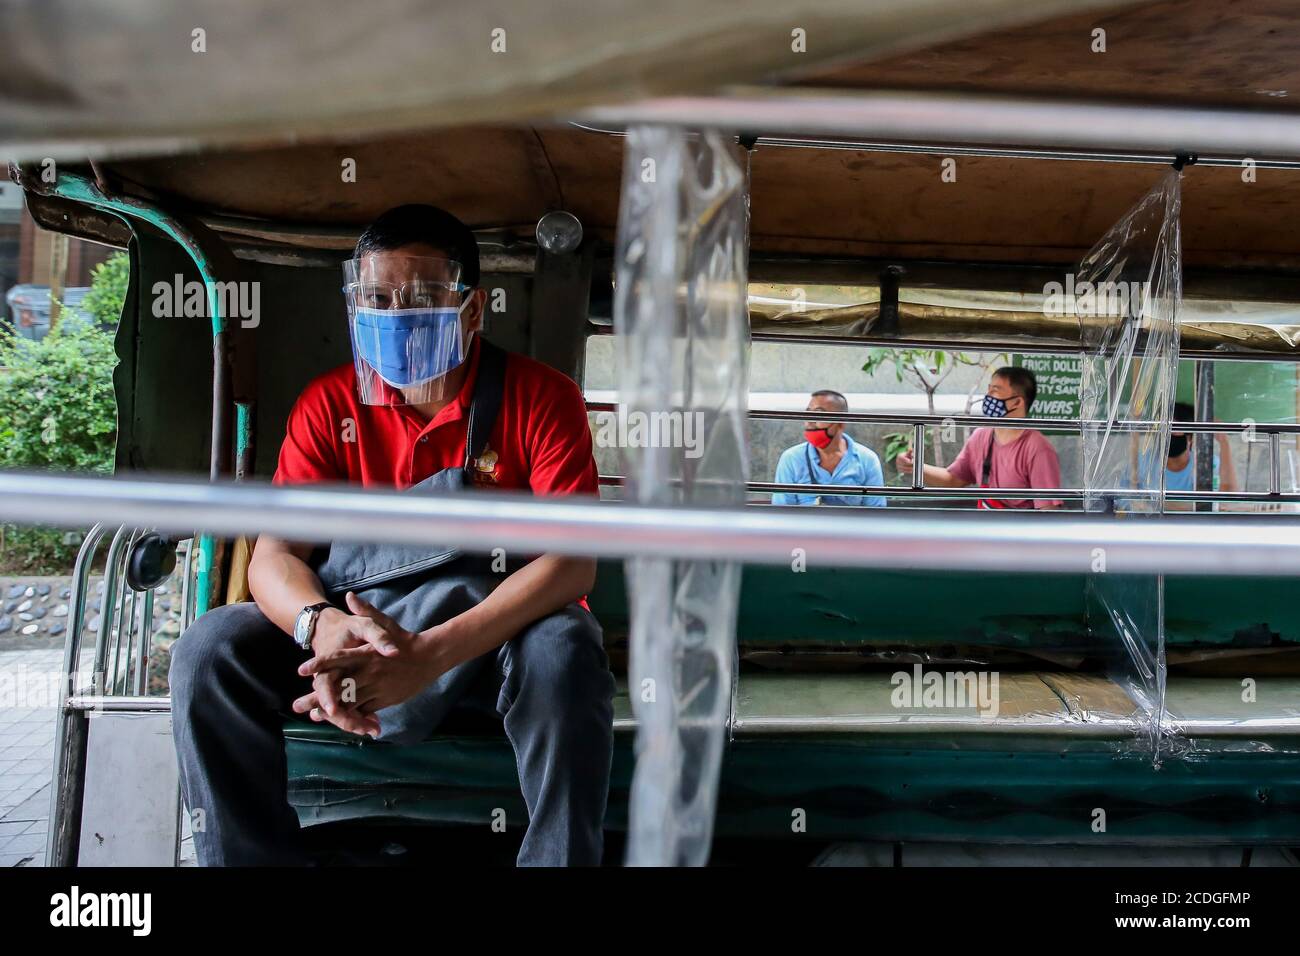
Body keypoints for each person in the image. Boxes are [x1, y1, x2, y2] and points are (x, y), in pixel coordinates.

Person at [169, 204, 615, 866]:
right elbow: (275, 557)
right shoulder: (328, 406)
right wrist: (320, 627)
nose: (396, 315)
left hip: (491, 640)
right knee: (209, 650)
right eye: (377, 299)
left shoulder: (540, 399)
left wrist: (429, 655)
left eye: (422, 298)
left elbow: (572, 564)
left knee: (566, 647)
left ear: (471, 308)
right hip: (354, 625)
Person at [896, 366, 1062, 509]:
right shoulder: (981, 436)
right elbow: (953, 480)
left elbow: (1048, 511)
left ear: (1017, 403)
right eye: (988, 389)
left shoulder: (1038, 448)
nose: (987, 396)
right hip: (986, 534)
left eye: (995, 391)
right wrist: (914, 466)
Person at [772, 390, 886, 507]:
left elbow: (876, 513)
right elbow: (781, 512)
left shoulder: (867, 460)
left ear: (841, 423)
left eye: (819, 414)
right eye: (808, 413)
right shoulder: (791, 459)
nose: (810, 421)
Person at [1155, 401, 1238, 511]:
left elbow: (1229, 498)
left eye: (1174, 433)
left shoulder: (1206, 464)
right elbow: (1132, 504)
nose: (1168, 438)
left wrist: (1224, 442)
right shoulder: (1145, 465)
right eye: (1164, 432)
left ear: (1190, 438)